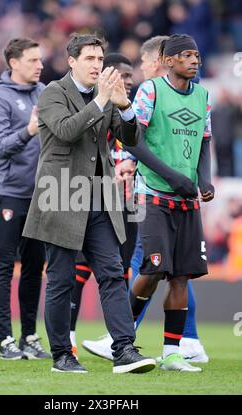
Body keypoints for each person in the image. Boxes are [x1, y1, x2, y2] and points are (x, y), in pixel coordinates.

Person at [23, 33, 156, 374]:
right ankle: (61, 356)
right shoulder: (53, 92)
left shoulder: (108, 96)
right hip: (61, 195)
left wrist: (124, 106)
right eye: (90, 59)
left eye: (100, 59)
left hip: (99, 198)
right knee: (61, 279)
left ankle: (124, 349)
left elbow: (130, 139)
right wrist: (100, 101)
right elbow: (67, 131)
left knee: (112, 274)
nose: (98, 65)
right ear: (71, 61)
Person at [82, 36, 209, 364]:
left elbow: (205, 141)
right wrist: (173, 176)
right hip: (153, 195)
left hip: (187, 199)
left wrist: (202, 179)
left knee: (181, 274)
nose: (195, 60)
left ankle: (173, 352)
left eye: (197, 55)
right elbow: (132, 139)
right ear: (168, 60)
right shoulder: (151, 91)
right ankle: (120, 337)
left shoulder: (203, 96)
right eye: (188, 56)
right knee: (153, 268)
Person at [0, 38, 51, 360]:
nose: (39, 65)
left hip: (40, 195)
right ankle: (4, 338)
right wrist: (30, 130)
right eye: (33, 60)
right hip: (6, 192)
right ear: (14, 62)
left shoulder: (45, 93)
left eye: (40, 60)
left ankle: (29, 336)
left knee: (35, 268)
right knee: (3, 265)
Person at [69, 52, 138, 357]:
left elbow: (134, 141)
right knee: (79, 267)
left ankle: (120, 342)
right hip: (89, 194)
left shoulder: (126, 106)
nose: (127, 83)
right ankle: (66, 337)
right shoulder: (86, 102)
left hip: (126, 198)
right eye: (122, 76)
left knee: (118, 268)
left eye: (131, 78)